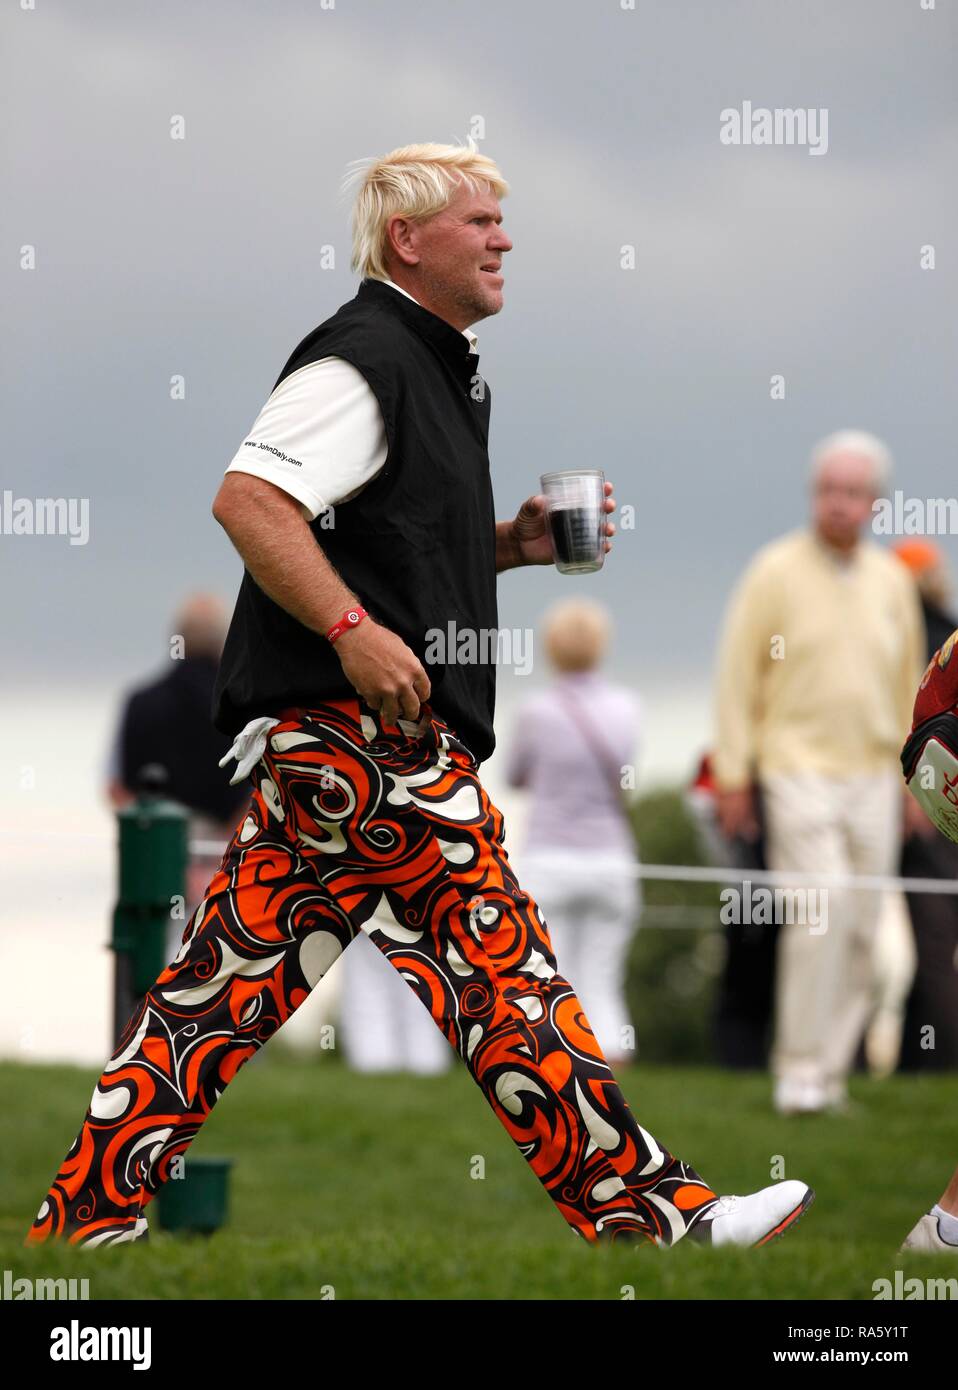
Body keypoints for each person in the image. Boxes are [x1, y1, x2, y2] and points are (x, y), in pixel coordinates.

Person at [27, 141, 811, 1251]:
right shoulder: (364, 356)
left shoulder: (440, 369)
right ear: (408, 238)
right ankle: (665, 1219)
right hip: (368, 746)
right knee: (507, 972)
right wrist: (351, 634)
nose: (505, 237)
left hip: (326, 757)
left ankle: (73, 1233)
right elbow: (249, 502)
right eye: (481, 219)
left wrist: (508, 546)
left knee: (205, 1009)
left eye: (504, 220)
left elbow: (382, 547)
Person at [712, 431, 925, 1115]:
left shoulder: (894, 581)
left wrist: (915, 783)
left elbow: (911, 688)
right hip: (795, 770)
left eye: (854, 492)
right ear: (814, 495)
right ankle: (797, 1071)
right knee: (821, 907)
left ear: (874, 503)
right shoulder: (774, 570)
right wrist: (734, 775)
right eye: (829, 490)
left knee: (864, 925)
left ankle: (829, 1077)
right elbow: (736, 676)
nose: (839, 504)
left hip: (874, 776)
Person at [505, 598, 641, 1067]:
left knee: (549, 972)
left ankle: (557, 1061)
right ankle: (614, 1069)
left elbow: (514, 775)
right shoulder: (627, 707)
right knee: (603, 974)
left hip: (550, 857)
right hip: (610, 858)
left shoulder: (535, 711)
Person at [106, 593, 251, 929]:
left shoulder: (139, 702)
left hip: (156, 865)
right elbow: (261, 790)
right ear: (223, 641)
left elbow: (116, 788)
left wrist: (170, 860)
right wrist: (220, 856)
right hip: (228, 863)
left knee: (154, 965)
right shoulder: (242, 707)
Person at [892, 540, 958, 1071]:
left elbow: (921, 727)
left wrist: (919, 786)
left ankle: (934, 1061)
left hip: (925, 804)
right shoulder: (939, 630)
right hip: (926, 798)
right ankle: (923, 1060)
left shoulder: (920, 635)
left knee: (930, 944)